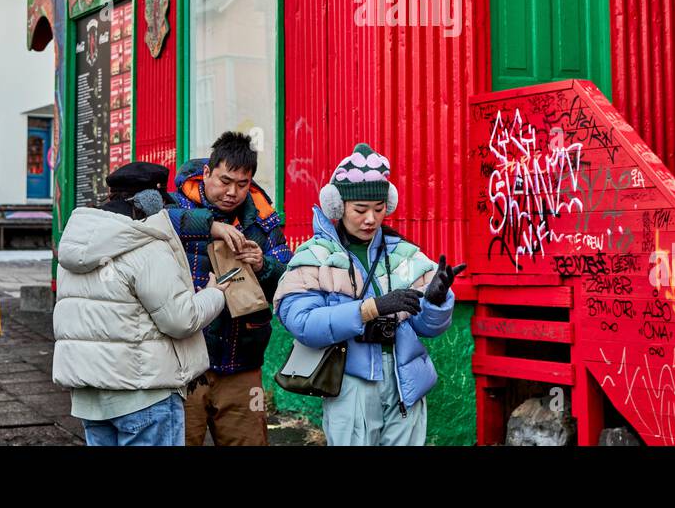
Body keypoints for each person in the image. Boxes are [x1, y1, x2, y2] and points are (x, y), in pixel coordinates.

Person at [274, 142, 464, 446]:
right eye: (360, 210)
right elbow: (301, 322)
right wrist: (369, 309)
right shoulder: (315, 255)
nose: (371, 219)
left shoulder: (404, 254)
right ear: (337, 207)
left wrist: (437, 301)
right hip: (352, 383)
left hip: (406, 382)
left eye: (378, 209)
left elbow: (429, 328)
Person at [53, 161, 234, 446]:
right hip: (143, 394)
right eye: (161, 203)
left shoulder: (76, 245)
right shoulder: (146, 246)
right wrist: (215, 293)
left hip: (90, 397)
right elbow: (180, 320)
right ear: (148, 202)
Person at [169, 131, 292, 445]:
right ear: (206, 173)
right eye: (224, 181)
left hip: (242, 362)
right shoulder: (172, 209)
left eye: (242, 184)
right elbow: (144, 223)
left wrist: (264, 265)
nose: (232, 192)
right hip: (182, 364)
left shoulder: (263, 222)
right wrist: (210, 227)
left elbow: (289, 277)